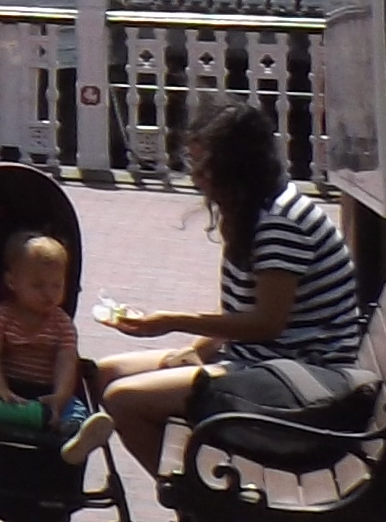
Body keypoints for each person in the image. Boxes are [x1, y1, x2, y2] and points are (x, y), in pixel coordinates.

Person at [91, 104, 370, 477]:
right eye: (193, 162)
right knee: (103, 373)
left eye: (205, 166)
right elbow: (243, 313)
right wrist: (197, 349)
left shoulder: (280, 224)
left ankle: (196, 499)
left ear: (236, 166)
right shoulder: (252, 209)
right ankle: (195, 487)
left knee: (123, 400)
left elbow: (266, 323)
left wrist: (173, 322)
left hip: (300, 377)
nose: (196, 176)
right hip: (262, 359)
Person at [0, 230, 101, 458]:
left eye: (56, 286)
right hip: (7, 388)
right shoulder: (1, 316)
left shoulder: (62, 324)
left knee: (74, 404)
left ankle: (75, 434)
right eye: (38, 286)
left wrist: (61, 395)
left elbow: (66, 360)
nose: (48, 294)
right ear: (12, 282)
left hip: (45, 394)